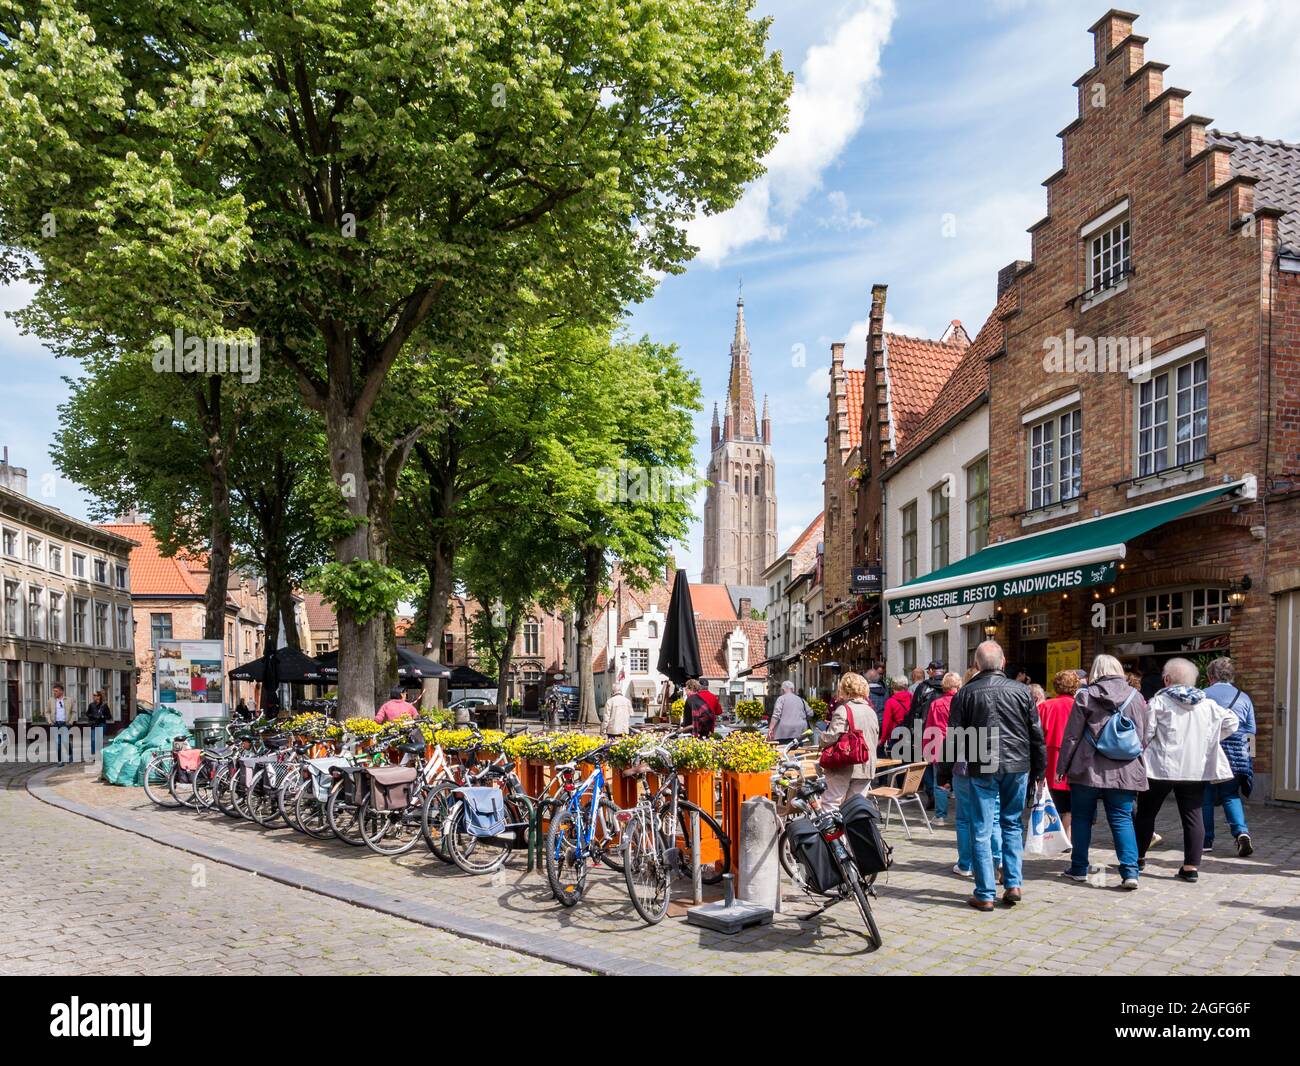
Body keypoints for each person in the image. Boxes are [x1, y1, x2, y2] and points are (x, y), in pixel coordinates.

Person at [948, 641, 1045, 911]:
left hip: (983, 766)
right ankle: (1013, 883)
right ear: (1003, 663)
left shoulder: (965, 694)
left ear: (977, 665)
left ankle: (985, 892)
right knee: (1012, 823)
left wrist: (947, 774)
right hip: (1017, 765)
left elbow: (954, 739)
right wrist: (1040, 769)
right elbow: (1036, 734)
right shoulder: (1022, 691)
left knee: (982, 827)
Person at [1135, 657, 1239, 883]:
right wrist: (1209, 739)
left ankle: (1139, 857)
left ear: (1166, 679)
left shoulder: (1159, 702)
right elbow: (1232, 722)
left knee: (1146, 813)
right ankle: (1191, 866)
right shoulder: (1208, 704)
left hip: (1159, 767)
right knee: (1193, 816)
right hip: (1195, 768)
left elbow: (1146, 733)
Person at [1056, 655, 1147, 889]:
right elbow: (1143, 735)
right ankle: (1130, 872)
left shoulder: (1085, 695)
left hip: (1087, 769)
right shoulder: (1136, 697)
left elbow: (1072, 735)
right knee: (1122, 820)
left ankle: (1078, 868)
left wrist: (1062, 767)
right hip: (1123, 769)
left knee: (1082, 819)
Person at [1201, 656, 1254, 856]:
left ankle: (1206, 841)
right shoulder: (1244, 697)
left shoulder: (1203, 695)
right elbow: (1251, 731)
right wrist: (1249, 760)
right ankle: (1241, 832)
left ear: (1211, 676)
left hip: (1211, 752)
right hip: (1238, 754)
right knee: (1231, 795)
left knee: (1205, 797)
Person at [817, 672, 878, 808]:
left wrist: (821, 737)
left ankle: (831, 830)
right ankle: (852, 829)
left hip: (845, 764)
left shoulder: (844, 710)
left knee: (831, 802)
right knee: (855, 807)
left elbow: (831, 737)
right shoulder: (871, 711)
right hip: (866, 765)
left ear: (846, 690)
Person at [1036, 670, 1081, 837]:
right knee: (1070, 802)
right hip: (1074, 758)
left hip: (1051, 759)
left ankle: (1052, 834)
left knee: (1050, 799)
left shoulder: (1045, 706)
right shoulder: (1080, 705)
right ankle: (1068, 835)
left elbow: (1037, 735)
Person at [923, 671, 962, 825]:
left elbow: (929, 727)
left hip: (939, 746)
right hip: (960, 745)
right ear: (958, 685)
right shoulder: (963, 702)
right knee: (961, 781)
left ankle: (940, 816)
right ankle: (963, 814)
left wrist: (926, 749)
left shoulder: (936, 704)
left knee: (939, 782)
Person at [907, 661, 946, 791]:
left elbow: (914, 710)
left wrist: (913, 731)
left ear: (930, 671)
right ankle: (942, 789)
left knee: (927, 762)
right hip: (945, 729)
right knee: (944, 760)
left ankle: (930, 791)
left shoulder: (923, 687)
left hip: (924, 729)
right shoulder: (949, 685)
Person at [880, 676, 911, 757]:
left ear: (893, 687)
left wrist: (882, 740)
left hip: (896, 737)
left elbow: (887, 723)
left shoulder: (890, 702)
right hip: (910, 737)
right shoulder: (912, 698)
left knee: (896, 766)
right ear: (906, 687)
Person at [46, 683, 76, 764]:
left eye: (56, 691)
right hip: (55, 724)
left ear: (61, 691)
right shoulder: (51, 700)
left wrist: (70, 722)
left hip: (65, 724)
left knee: (65, 741)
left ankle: (70, 755)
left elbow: (73, 712)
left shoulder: (69, 700)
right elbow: (47, 712)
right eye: (54, 691)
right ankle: (60, 761)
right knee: (58, 743)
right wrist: (49, 721)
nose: (54, 693)